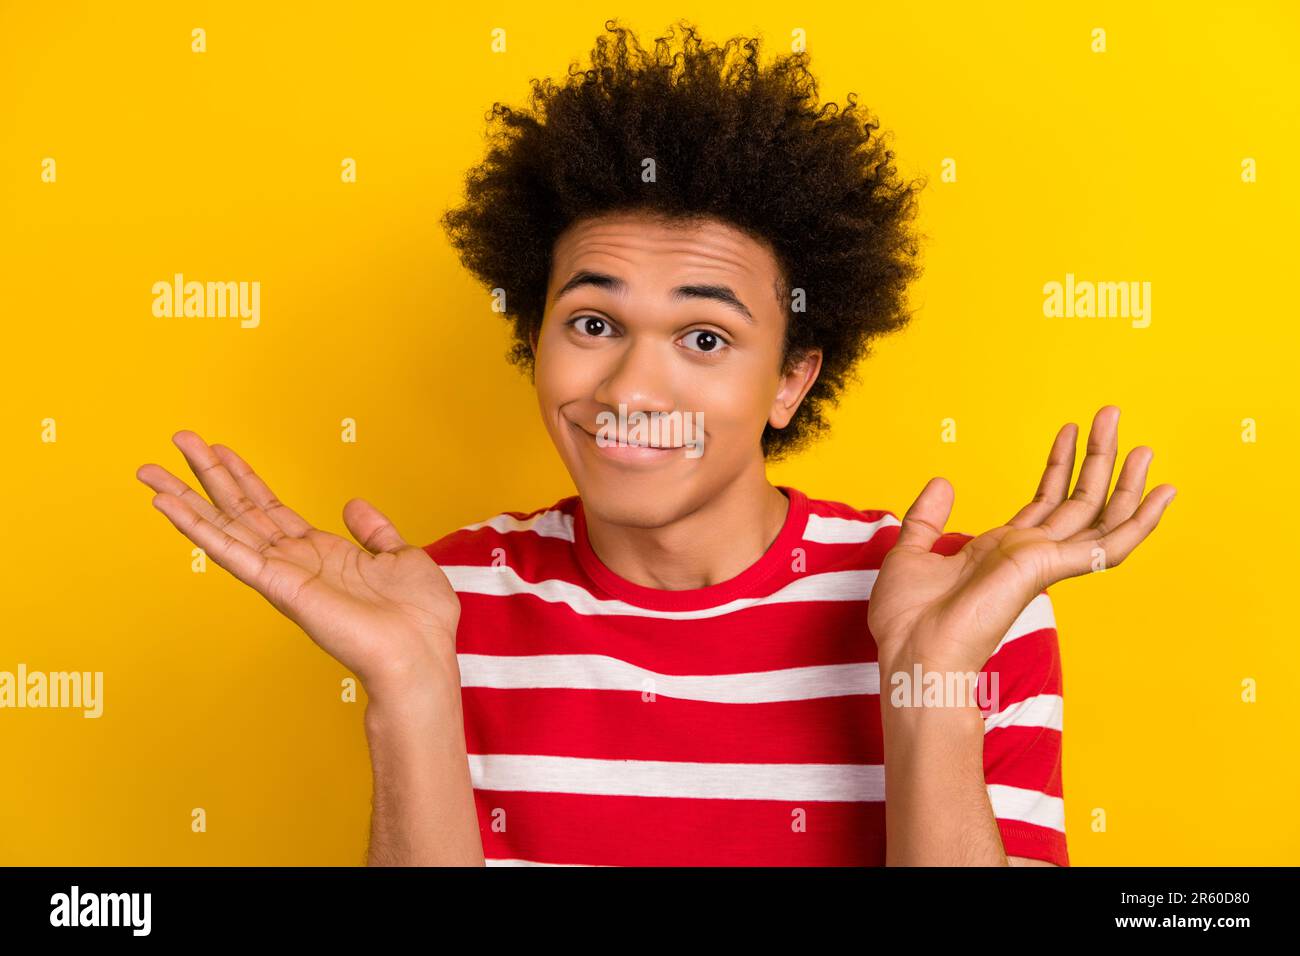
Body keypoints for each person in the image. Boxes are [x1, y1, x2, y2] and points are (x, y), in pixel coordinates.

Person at [135, 19, 1175, 866]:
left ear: (790, 378)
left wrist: (930, 682)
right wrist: (411, 688)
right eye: (592, 323)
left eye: (705, 336)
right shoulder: (434, 602)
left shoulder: (965, 605)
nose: (631, 386)